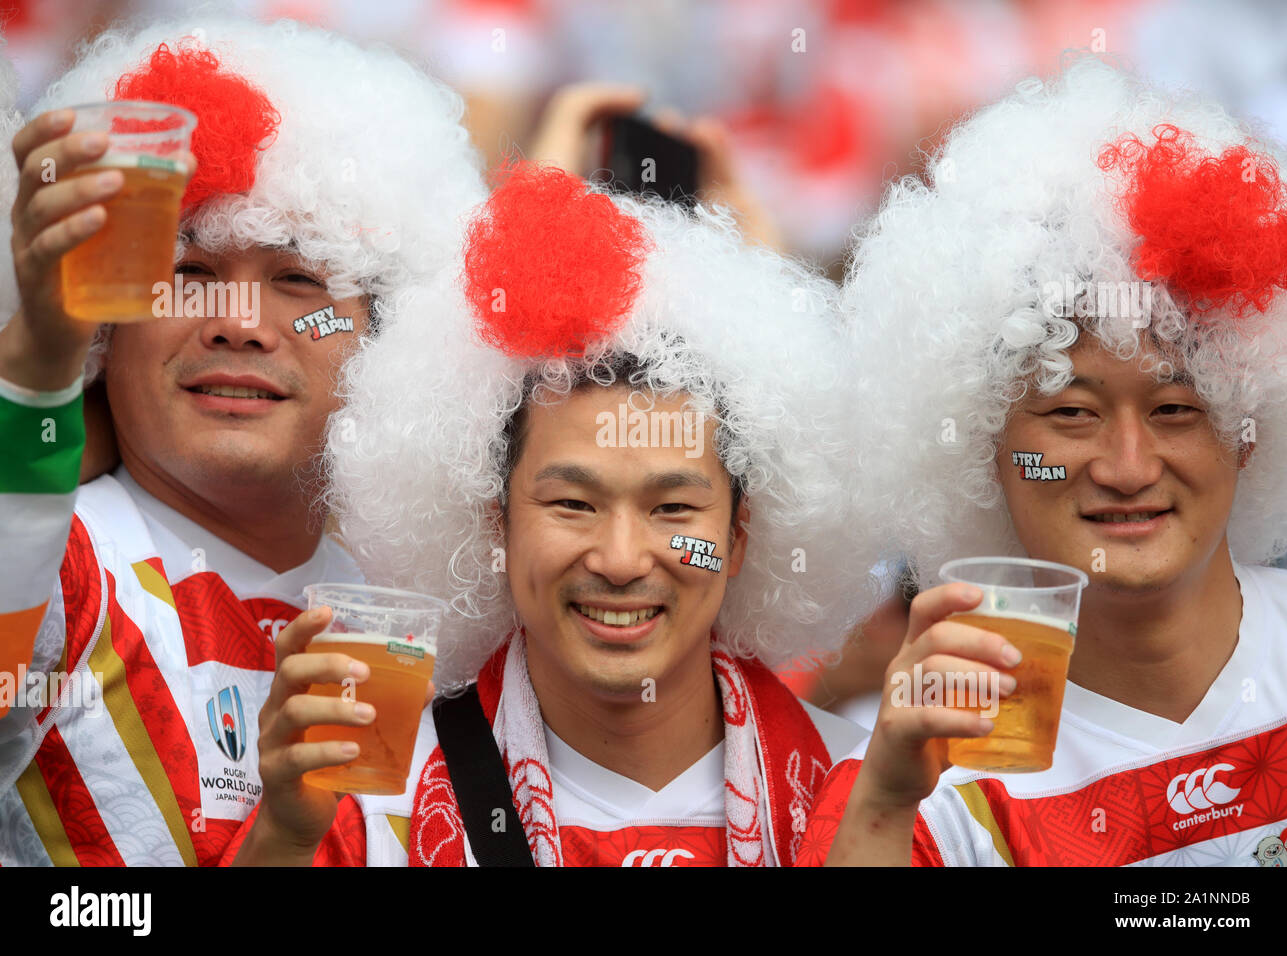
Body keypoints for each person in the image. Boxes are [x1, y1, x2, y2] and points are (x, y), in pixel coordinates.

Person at [226, 162, 882, 866]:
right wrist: (287, 840)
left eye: (673, 509)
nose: (623, 559)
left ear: (740, 534)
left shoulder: (869, 800)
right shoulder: (372, 800)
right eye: (573, 504)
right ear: (493, 521)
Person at [0, 16, 484, 865]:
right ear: (102, 322)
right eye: (187, 274)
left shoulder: (448, 609)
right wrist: (39, 360)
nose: (238, 325)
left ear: (388, 339)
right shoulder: (60, 567)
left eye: (300, 280)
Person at [800, 56, 1287, 866]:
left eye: (1176, 410)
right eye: (1071, 415)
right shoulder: (917, 783)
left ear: (1248, 430)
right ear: (982, 444)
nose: (1128, 466)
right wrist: (887, 809)